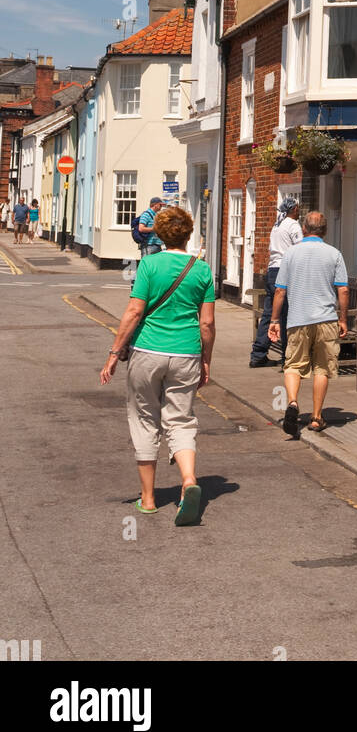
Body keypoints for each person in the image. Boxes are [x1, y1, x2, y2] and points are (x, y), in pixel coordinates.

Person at [99, 206, 215, 525]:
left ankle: (148, 499)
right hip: (187, 352)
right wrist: (206, 360)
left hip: (147, 351)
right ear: (188, 233)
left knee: (144, 418)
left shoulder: (149, 264)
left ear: (161, 234)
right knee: (180, 419)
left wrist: (113, 352)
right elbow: (207, 323)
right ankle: (189, 481)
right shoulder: (202, 270)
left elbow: (135, 312)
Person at [268, 210, 348, 436]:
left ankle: (292, 402)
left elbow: (280, 291)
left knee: (293, 364)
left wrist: (274, 320)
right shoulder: (334, 254)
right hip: (326, 319)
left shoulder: (291, 254)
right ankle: (316, 417)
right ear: (325, 230)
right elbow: (342, 288)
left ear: (304, 229)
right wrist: (343, 318)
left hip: (297, 319)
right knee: (322, 367)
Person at [249, 196, 302, 368]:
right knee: (287, 314)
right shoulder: (293, 225)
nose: (299, 211)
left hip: (272, 270)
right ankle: (288, 357)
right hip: (286, 270)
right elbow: (300, 249)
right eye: (298, 208)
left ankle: (258, 355)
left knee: (269, 314)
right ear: (293, 209)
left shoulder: (277, 224)